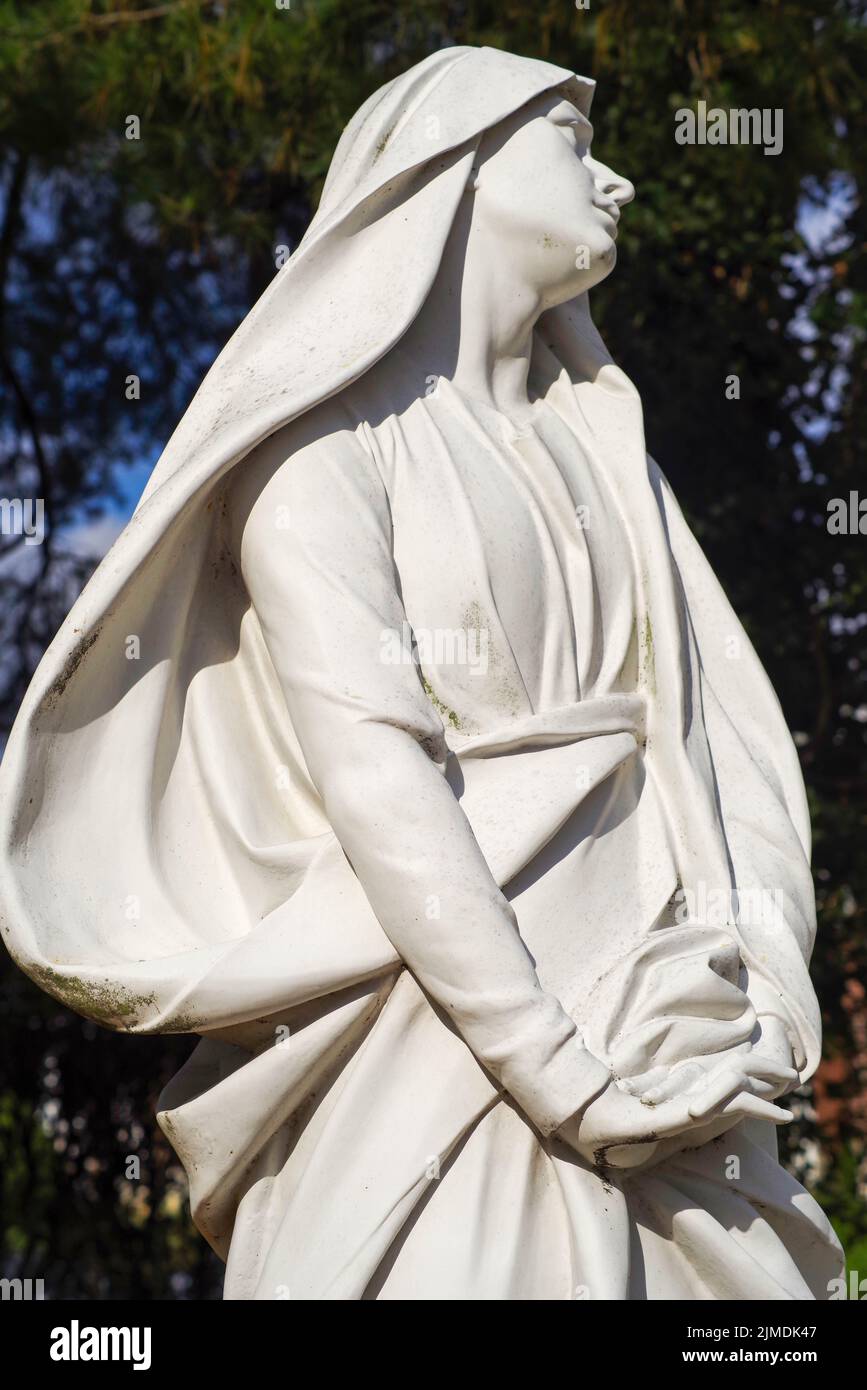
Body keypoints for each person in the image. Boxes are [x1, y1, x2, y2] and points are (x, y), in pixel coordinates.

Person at [0, 46, 843, 1299]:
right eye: (571, 139)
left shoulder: (612, 449)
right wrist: (555, 1071)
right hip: (443, 1054)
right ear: (461, 168)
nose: (613, 180)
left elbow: (731, 745)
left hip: (676, 1039)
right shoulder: (320, 458)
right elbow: (378, 773)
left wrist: (770, 988)